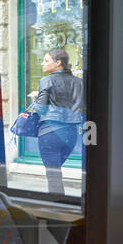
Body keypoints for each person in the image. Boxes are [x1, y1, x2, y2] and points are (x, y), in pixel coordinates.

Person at [28, 48, 85, 196]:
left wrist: (36, 96)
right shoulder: (79, 82)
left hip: (50, 133)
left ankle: (57, 208)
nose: (42, 64)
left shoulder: (46, 80)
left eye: (46, 60)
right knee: (56, 173)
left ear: (58, 63)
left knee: (53, 177)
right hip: (71, 135)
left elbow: (41, 108)